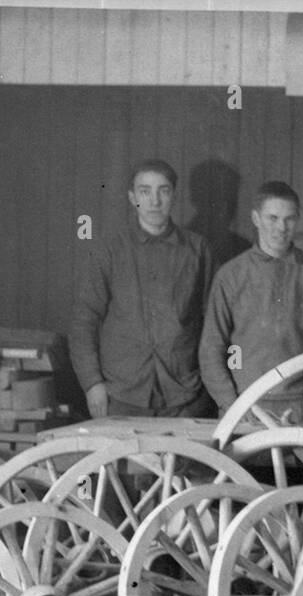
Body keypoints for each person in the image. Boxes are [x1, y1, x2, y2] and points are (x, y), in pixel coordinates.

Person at [71, 159, 216, 418]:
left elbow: (215, 324)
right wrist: (92, 383)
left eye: (163, 190)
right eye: (145, 191)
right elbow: (84, 320)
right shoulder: (109, 250)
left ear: (174, 195)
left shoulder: (198, 250)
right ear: (132, 197)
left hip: (184, 395)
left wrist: (209, 385)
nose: (154, 201)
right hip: (122, 393)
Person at [198, 181, 303, 423]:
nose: (281, 227)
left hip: (302, 408)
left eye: (289, 219)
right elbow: (211, 350)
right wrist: (233, 406)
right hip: (246, 406)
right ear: (256, 218)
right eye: (272, 218)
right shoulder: (231, 275)